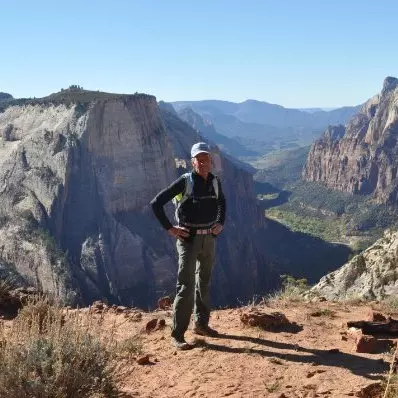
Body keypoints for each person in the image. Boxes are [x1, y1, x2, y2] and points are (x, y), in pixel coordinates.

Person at [150, 142, 226, 350]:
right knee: (186, 286)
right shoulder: (185, 182)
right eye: (198, 160)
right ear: (192, 162)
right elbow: (156, 203)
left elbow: (222, 203)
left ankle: (201, 324)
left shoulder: (215, 182)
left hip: (209, 238)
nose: (203, 163)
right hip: (188, 239)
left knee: (205, 281)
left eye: (206, 159)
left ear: (211, 161)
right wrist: (170, 228)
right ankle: (178, 334)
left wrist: (220, 222)